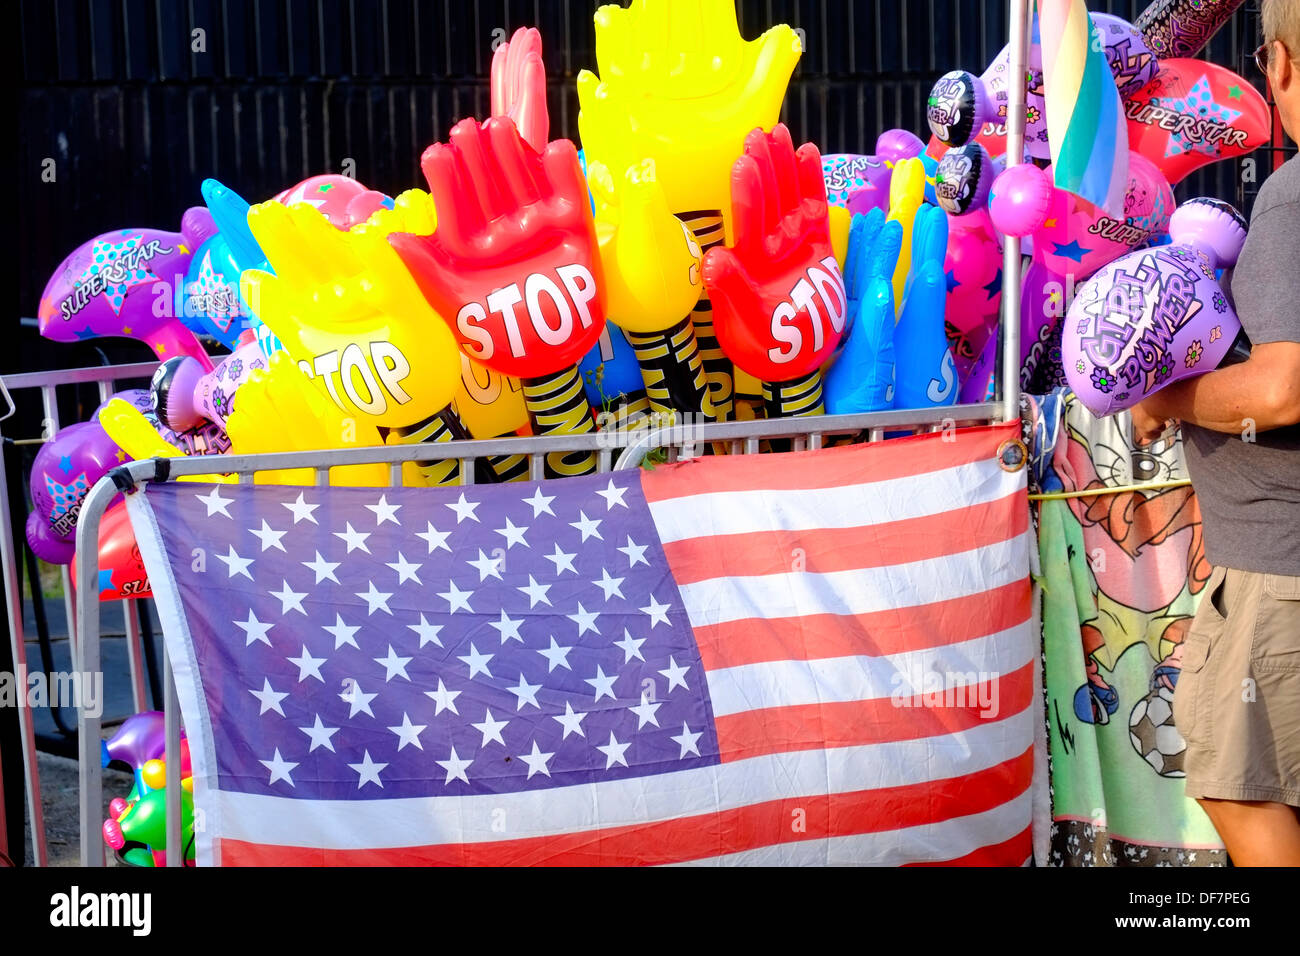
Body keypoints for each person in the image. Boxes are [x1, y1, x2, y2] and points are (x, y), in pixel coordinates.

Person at [1131, 0, 1300, 866]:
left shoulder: (1291, 196)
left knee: (1239, 785)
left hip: (1281, 570)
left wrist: (1170, 397)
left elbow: (1278, 391)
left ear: (1278, 65)